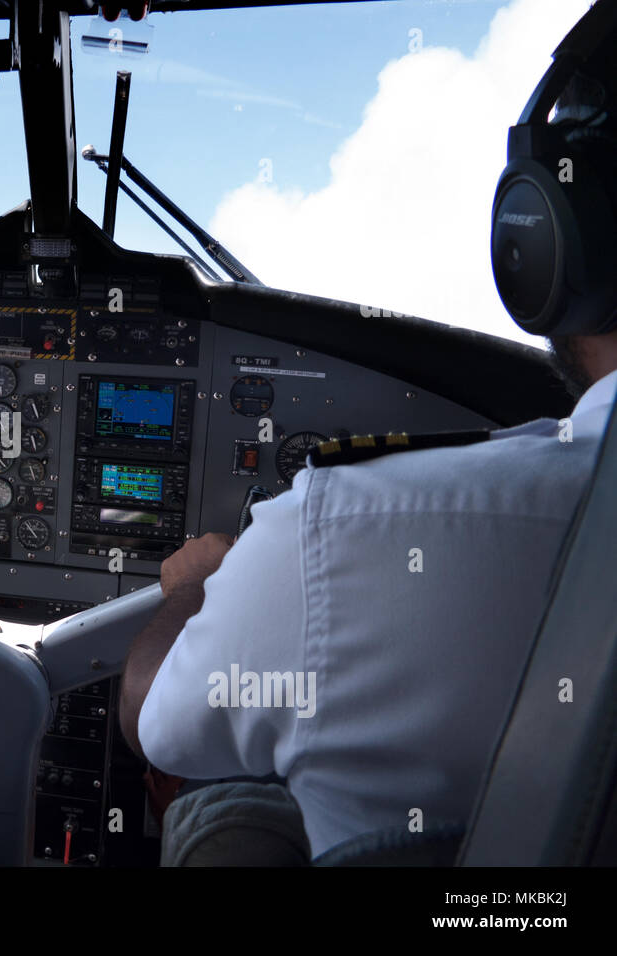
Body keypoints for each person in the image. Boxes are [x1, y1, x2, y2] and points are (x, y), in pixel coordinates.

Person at [119, 27, 617, 859]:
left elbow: (156, 721)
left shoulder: (345, 527)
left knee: (220, 790)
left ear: (556, 239)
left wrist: (192, 592)